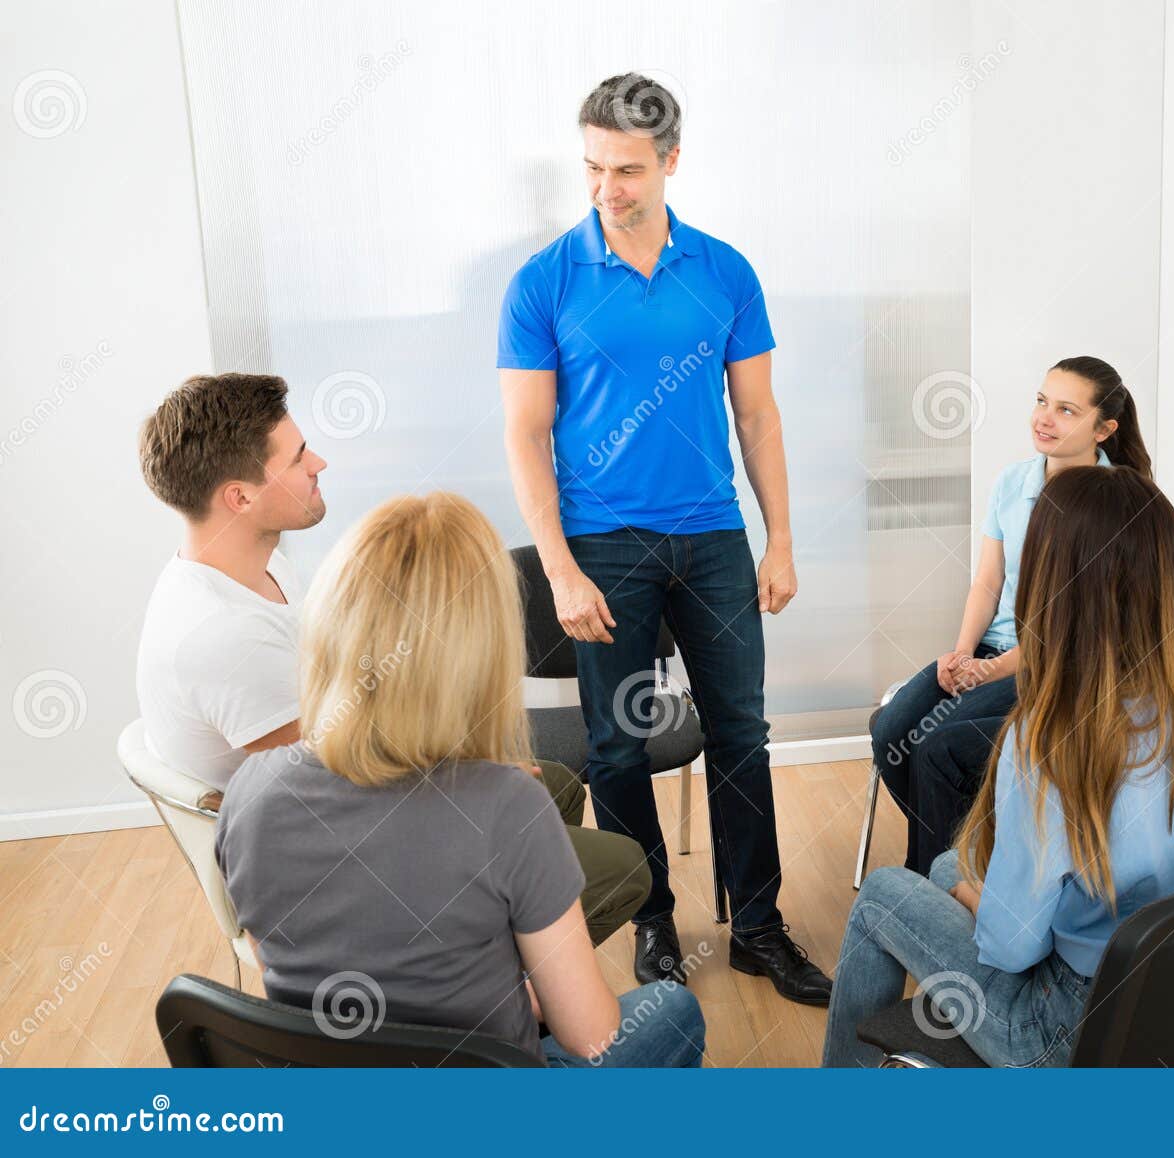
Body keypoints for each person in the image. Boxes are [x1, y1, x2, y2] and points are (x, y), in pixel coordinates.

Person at [497, 74, 829, 1003]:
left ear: (672, 162)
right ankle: (652, 922)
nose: (610, 187)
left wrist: (783, 540)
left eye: (630, 169)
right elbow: (525, 436)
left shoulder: (724, 271)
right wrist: (559, 569)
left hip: (714, 539)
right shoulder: (544, 282)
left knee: (742, 734)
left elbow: (757, 418)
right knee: (615, 748)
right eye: (595, 167)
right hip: (602, 546)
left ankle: (759, 926)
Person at [136, 373, 648, 945]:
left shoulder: (256, 568)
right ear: (239, 496)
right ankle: (477, 986)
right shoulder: (223, 636)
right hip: (342, 862)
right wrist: (476, 769)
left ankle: (512, 945)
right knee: (624, 866)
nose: (319, 464)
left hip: (347, 807)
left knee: (556, 786)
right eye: (299, 456)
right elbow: (344, 778)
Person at [216, 492, 705, 1068]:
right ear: (481, 651)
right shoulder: (509, 807)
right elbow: (590, 1035)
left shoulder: (249, 793)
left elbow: (267, 954)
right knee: (674, 1008)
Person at [823, 466, 1174, 1068]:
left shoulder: (1047, 740)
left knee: (887, 893)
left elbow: (1015, 948)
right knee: (950, 866)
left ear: (1053, 585)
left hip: (1063, 1031)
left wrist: (987, 903)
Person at [870, 356, 1151, 876]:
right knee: (891, 730)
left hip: (1058, 665)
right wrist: (961, 653)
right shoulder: (1013, 482)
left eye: (1066, 410)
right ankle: (958, 856)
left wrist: (989, 672)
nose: (1044, 418)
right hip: (990, 651)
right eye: (1042, 401)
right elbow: (987, 582)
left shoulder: (1112, 503)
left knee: (936, 748)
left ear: (1105, 429)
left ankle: (932, 876)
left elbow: (1072, 631)